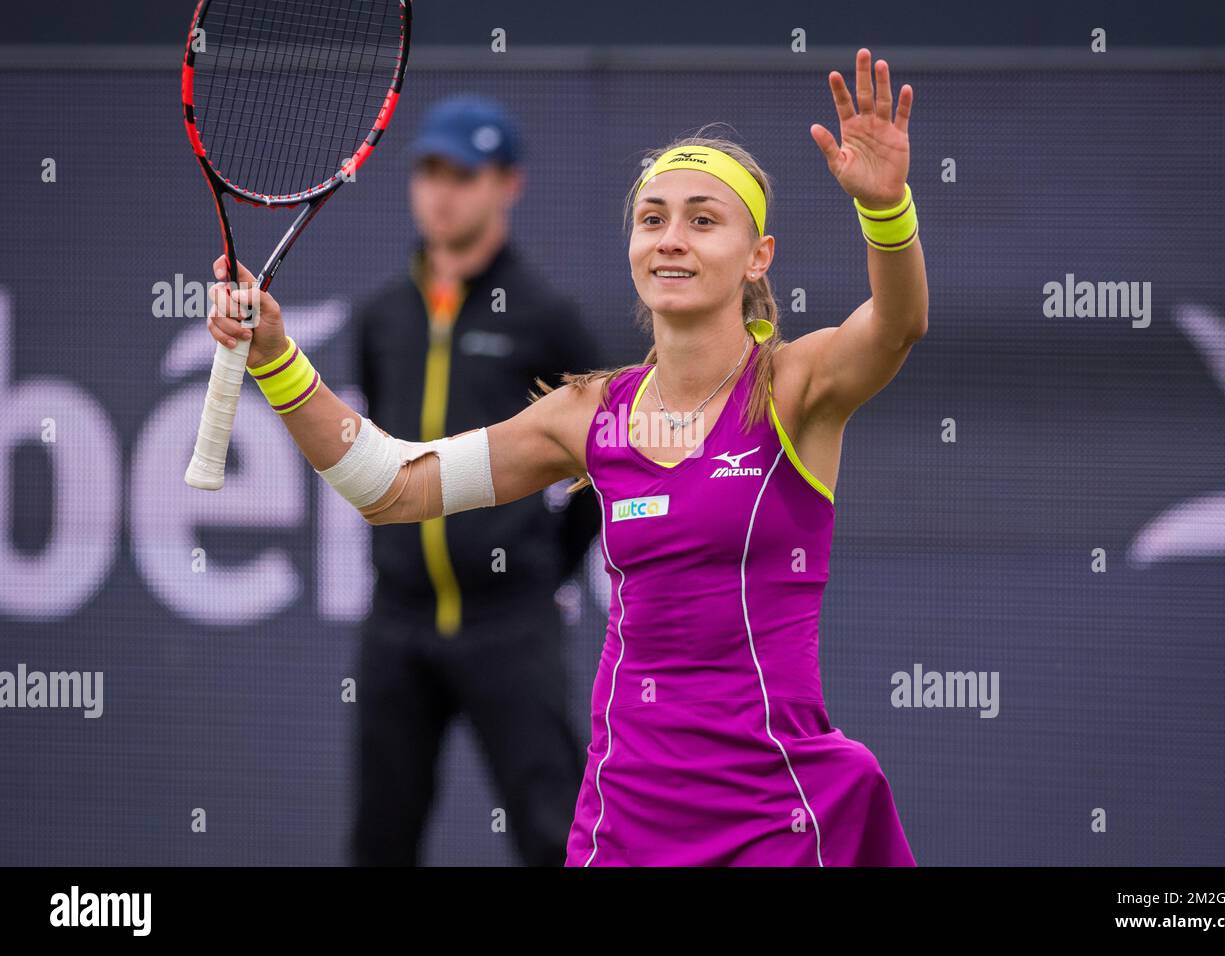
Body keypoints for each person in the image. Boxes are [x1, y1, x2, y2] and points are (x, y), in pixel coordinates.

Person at [206, 49, 925, 865]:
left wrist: (887, 210)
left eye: (702, 219)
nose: (671, 239)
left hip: (775, 809)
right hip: (626, 813)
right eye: (652, 218)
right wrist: (273, 354)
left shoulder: (795, 388)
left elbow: (896, 326)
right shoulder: (588, 415)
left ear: (758, 256)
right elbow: (388, 484)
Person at [350, 94, 603, 865]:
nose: (441, 190)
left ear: (507, 185)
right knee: (378, 842)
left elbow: (605, 453)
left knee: (554, 837)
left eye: (463, 173)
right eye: (428, 170)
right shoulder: (381, 315)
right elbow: (372, 443)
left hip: (509, 623)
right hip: (396, 622)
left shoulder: (544, 314)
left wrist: (542, 564)